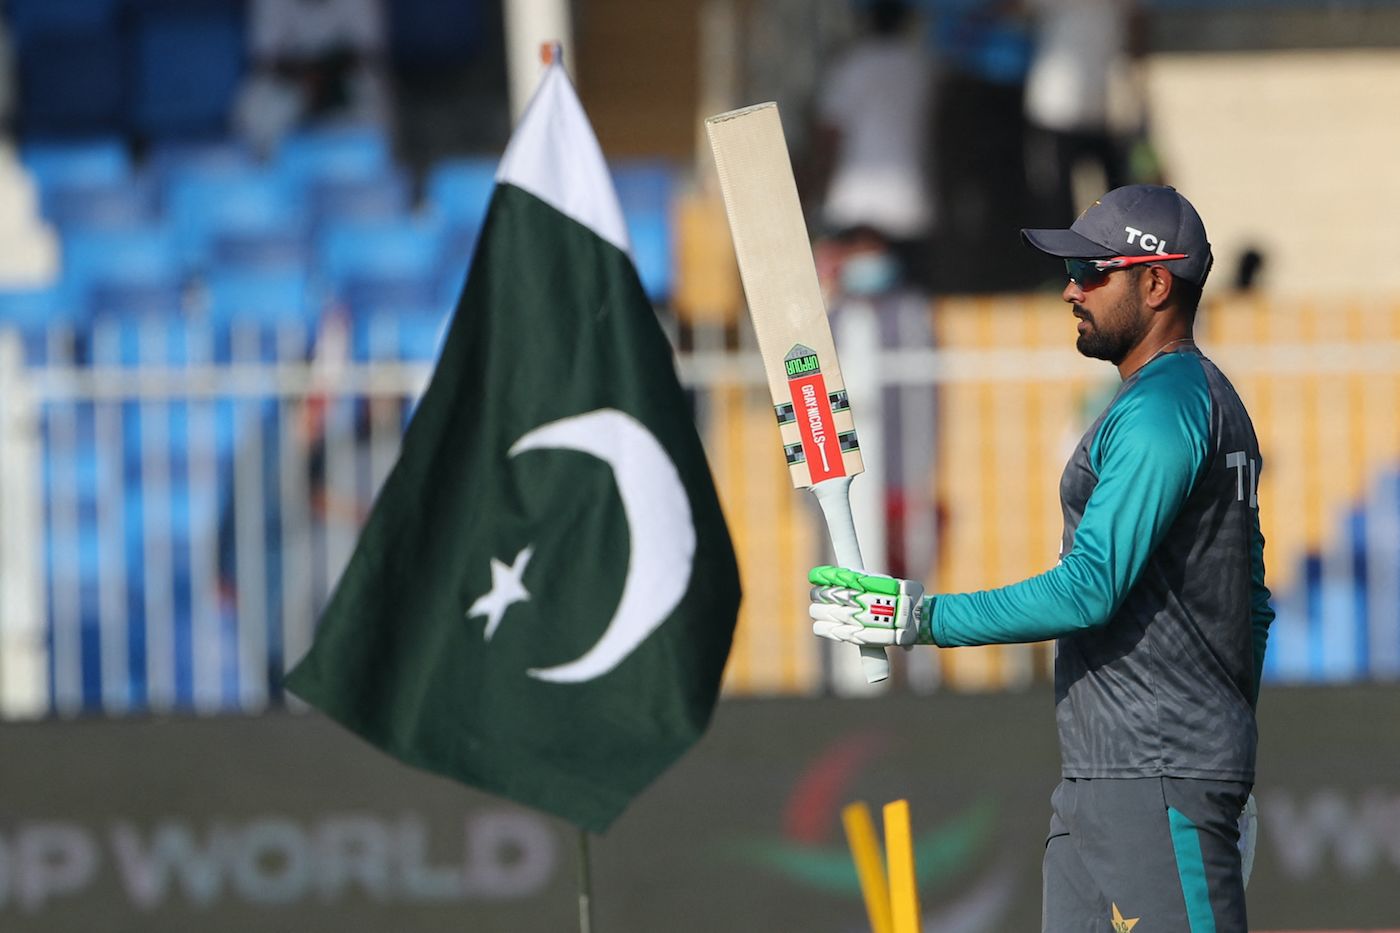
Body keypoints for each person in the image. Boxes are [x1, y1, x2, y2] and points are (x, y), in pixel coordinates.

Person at [809, 185, 1272, 932]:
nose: (1070, 289)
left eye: (1093, 271)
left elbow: (1090, 589)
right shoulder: (1175, 401)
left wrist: (918, 617)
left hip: (1155, 776)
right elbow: (1252, 602)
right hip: (1114, 776)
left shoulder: (1167, 407)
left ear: (1156, 283)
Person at [809, 0, 936, 288]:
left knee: (850, 302)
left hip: (854, 202)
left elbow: (829, 135)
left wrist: (817, 189)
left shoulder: (850, 64)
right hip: (912, 204)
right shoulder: (922, 64)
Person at [234, 0, 393, 155]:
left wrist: (324, 77)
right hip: (291, 79)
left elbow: (367, 52)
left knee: (373, 96)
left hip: (342, 76)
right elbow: (266, 58)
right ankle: (263, 168)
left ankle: (373, 169)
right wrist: (305, 77)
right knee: (256, 107)